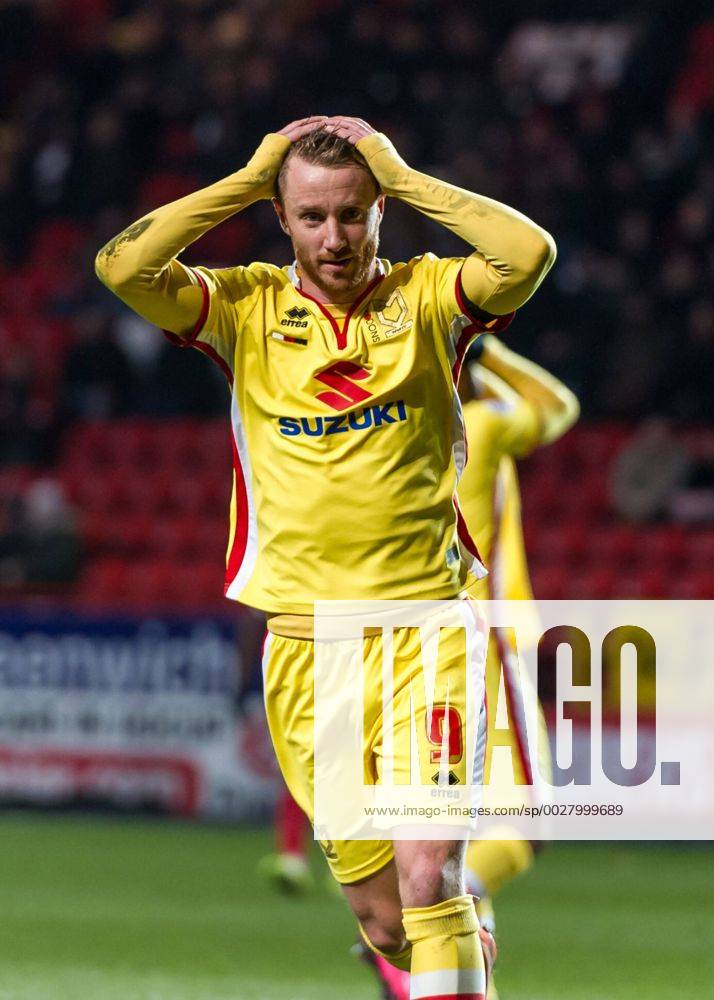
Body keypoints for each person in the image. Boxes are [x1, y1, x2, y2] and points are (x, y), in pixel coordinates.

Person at [96, 114, 555, 998]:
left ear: (379, 209)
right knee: (387, 920)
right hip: (310, 651)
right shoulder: (243, 309)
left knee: (432, 879)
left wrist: (405, 173)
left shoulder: (427, 297)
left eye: (354, 213)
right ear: (282, 218)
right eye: (311, 216)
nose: (334, 237)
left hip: (429, 630)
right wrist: (250, 173)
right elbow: (123, 266)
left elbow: (527, 255)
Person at [364, 335, 580, 999]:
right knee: (529, 825)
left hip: (418, 641)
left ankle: (441, 972)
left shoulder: (383, 443)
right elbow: (560, 407)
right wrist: (490, 351)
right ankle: (419, 926)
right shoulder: (482, 425)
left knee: (458, 830)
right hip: (488, 636)